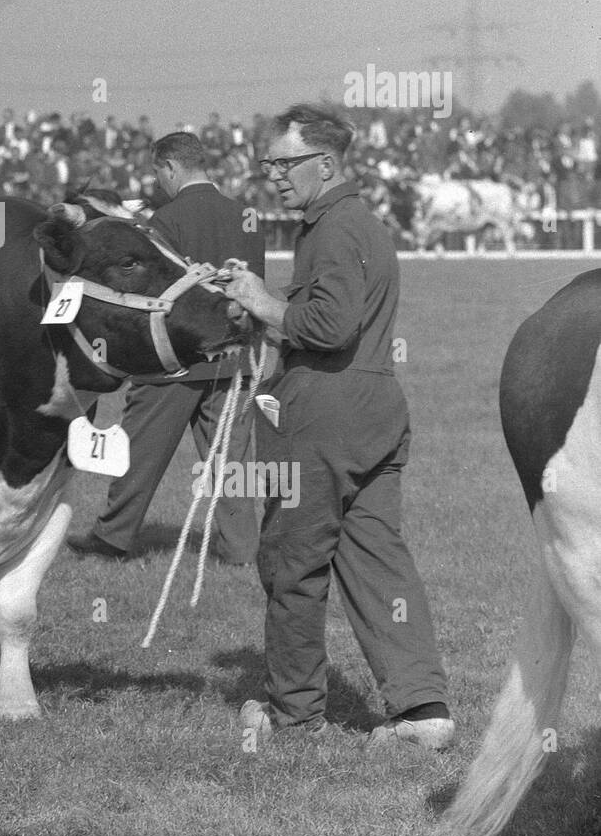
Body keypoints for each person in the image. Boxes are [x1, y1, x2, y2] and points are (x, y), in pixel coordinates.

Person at [220, 103, 453, 749]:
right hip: (376, 408)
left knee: (293, 559)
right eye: (268, 163)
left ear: (325, 163)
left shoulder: (333, 227)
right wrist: (260, 306)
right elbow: (327, 313)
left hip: (324, 412)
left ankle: (294, 714)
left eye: (285, 163)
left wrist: (262, 303)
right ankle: (422, 712)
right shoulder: (355, 222)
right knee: (378, 557)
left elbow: (330, 326)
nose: (274, 175)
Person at [65, 132, 266, 565]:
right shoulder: (246, 215)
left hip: (174, 361)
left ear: (170, 167)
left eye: (158, 174)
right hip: (235, 360)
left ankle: (112, 538)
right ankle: (242, 549)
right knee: (231, 463)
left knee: (139, 454)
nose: (157, 183)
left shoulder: (164, 221)